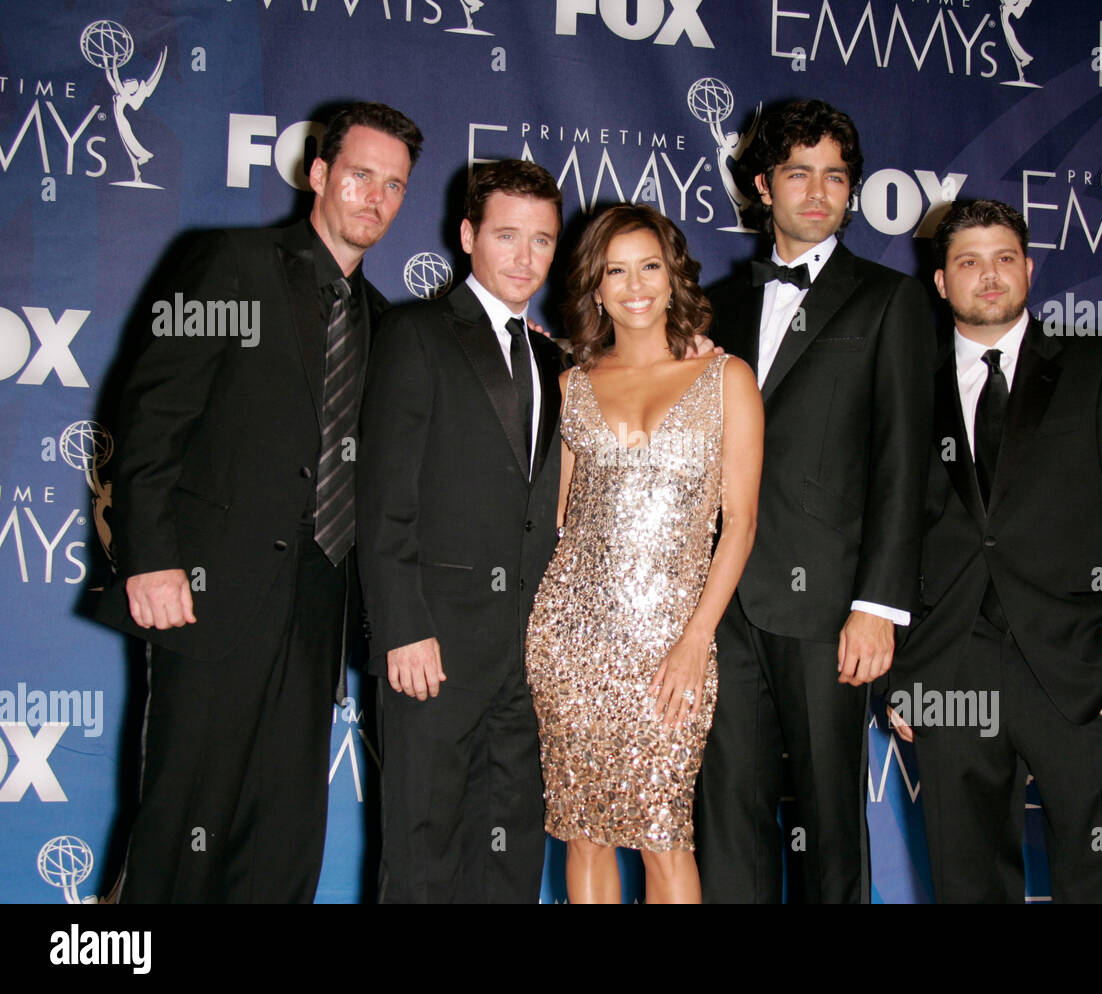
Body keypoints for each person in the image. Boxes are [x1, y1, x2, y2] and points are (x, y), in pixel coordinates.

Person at [96, 102, 423, 902]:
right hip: (205, 596)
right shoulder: (229, 266)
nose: (374, 199)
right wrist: (151, 557)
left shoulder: (385, 325)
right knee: (179, 826)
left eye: (393, 186)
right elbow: (151, 418)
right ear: (318, 174)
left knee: (282, 840)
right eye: (358, 176)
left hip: (319, 611)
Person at [890, 199, 1102, 902]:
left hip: (1084, 661)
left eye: (1003, 259)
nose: (988, 276)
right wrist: (895, 667)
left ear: (1027, 268)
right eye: (967, 262)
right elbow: (887, 529)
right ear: (940, 282)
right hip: (949, 664)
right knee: (967, 874)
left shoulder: (1099, 365)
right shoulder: (906, 385)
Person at [694, 99, 934, 903]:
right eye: (800, 173)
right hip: (716, 603)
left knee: (833, 821)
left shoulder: (890, 302)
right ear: (764, 185)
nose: (820, 192)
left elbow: (905, 465)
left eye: (837, 177)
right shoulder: (710, 309)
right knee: (724, 814)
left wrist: (878, 605)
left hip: (830, 603)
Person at [525, 205, 763, 904]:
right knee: (583, 829)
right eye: (615, 271)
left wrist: (696, 638)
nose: (635, 286)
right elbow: (562, 520)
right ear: (594, 288)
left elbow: (741, 524)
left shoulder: (728, 380)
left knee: (665, 833)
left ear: (673, 275)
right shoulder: (571, 386)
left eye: (649, 266)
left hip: (674, 644)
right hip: (571, 641)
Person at [357, 160, 569, 903]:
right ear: (468, 235)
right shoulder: (414, 333)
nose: (525, 257)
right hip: (435, 646)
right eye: (507, 236)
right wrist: (402, 627)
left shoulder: (553, 357)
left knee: (509, 852)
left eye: (542, 240)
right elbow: (383, 497)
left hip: (529, 655)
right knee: (422, 849)